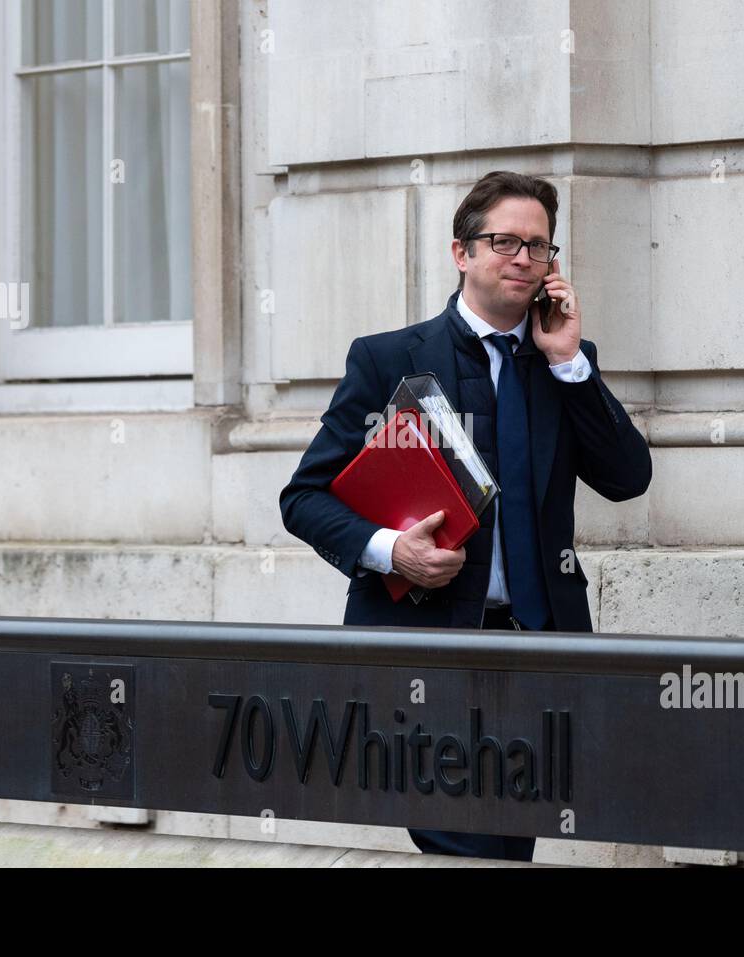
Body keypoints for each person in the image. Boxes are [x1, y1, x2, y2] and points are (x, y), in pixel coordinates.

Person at [279, 170, 653, 861]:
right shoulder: (388, 359)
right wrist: (392, 550)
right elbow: (303, 498)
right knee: (463, 840)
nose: (523, 258)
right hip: (431, 651)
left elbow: (629, 478)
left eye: (539, 247)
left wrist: (570, 361)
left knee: (510, 840)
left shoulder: (565, 362)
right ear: (461, 253)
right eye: (504, 241)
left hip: (541, 654)